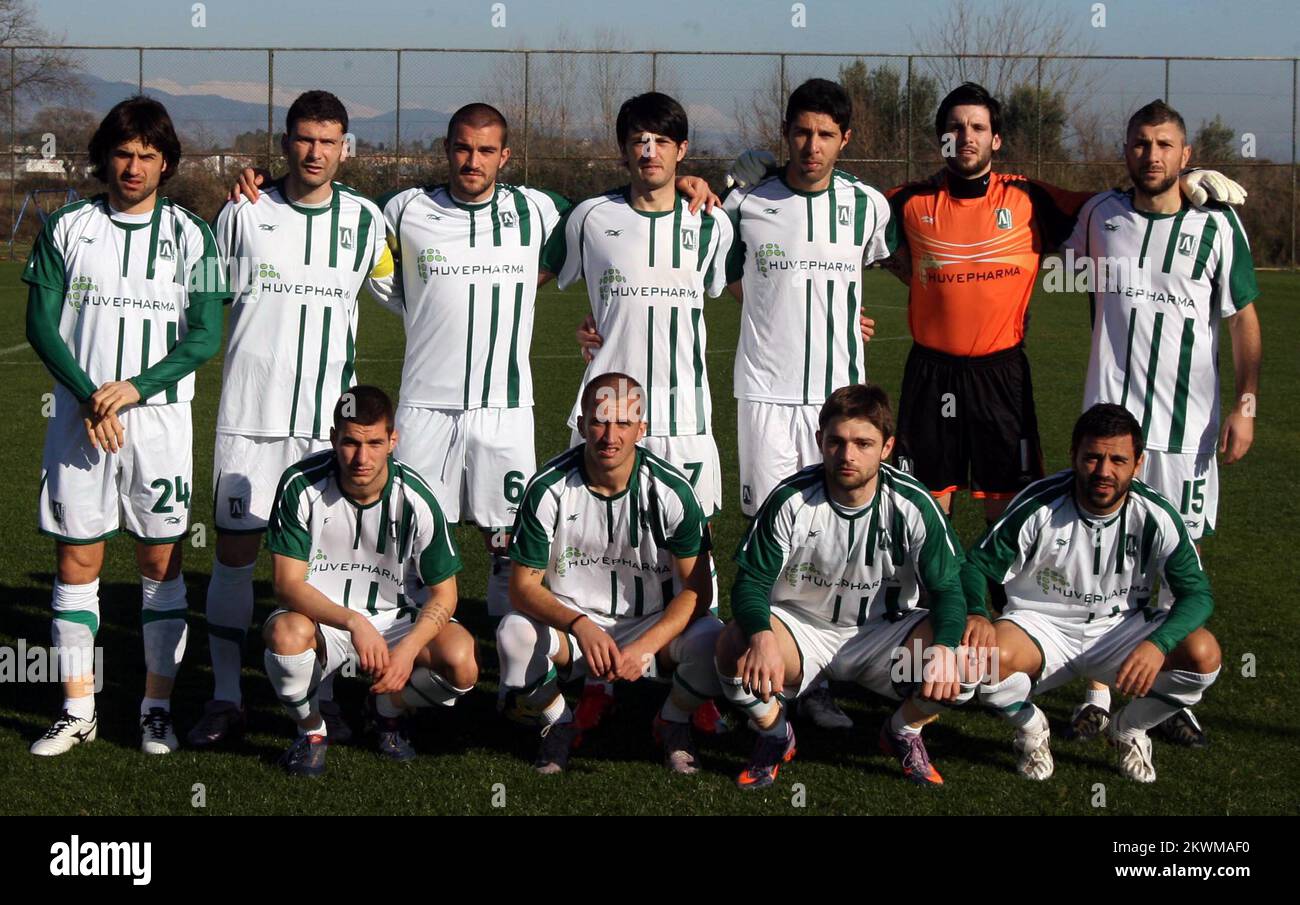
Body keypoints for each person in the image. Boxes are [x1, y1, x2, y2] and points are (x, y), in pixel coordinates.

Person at [25, 96, 227, 756]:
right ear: (104, 157)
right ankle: (77, 709)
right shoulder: (68, 227)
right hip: (82, 424)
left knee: (160, 565)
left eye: (146, 155)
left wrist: (133, 389)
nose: (133, 166)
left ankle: (156, 707)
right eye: (122, 152)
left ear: (166, 162)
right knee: (77, 561)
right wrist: (90, 396)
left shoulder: (193, 235)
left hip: (159, 425)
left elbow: (205, 336)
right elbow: (40, 325)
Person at [189, 90, 391, 748]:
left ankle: (323, 696)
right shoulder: (243, 211)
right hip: (250, 418)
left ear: (345, 146)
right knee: (234, 558)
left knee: (322, 568)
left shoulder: (366, 222)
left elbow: (423, 293)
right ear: (285, 143)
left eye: (328, 140)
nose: (315, 152)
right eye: (304, 139)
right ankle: (225, 695)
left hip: (326, 430)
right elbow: (204, 299)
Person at [1060, 99, 1260, 747]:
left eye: (1165, 144)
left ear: (1187, 154)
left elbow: (1243, 320)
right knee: (1098, 558)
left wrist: (1247, 403)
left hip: (1187, 433)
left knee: (1179, 564)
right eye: (1141, 143)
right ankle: (1093, 695)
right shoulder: (1098, 216)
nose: (1152, 154)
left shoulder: (1220, 229)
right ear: (1126, 151)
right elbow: (1032, 231)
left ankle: (1170, 696)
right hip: (1108, 430)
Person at [540, 92, 734, 734]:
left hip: (684, 417)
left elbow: (757, 290)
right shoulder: (590, 218)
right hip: (608, 413)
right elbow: (523, 278)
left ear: (682, 152)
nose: (648, 151)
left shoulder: (713, 223)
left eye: (662, 140)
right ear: (623, 149)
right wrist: (584, 329)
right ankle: (597, 676)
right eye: (637, 139)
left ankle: (696, 687)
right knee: (601, 548)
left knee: (693, 553)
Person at [716, 384, 981, 789]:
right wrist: (762, 636)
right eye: (837, 442)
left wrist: (944, 648)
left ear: (887, 447)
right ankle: (775, 734)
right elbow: (751, 582)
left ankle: (902, 731)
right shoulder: (790, 499)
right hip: (802, 633)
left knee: (972, 661)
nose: (848, 455)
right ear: (820, 441)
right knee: (733, 646)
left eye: (863, 443)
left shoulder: (913, 504)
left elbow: (947, 590)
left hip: (883, 637)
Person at [966, 404, 1220, 783]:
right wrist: (976, 613)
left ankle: (1130, 729)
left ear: (1138, 463)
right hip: (1041, 627)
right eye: (1093, 457)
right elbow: (975, 565)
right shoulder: (1039, 503)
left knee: (1203, 654)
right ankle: (1033, 729)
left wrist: (1159, 644)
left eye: (1118, 460)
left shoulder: (1156, 514)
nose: (1103, 471)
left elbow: (1197, 594)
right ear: (1073, 456)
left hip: (1119, 629)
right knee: (980, 659)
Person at [496, 372, 720, 774]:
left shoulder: (672, 491)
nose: (610, 435)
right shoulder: (548, 487)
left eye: (623, 422)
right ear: (581, 424)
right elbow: (522, 588)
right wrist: (580, 625)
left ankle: (672, 720)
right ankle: (559, 723)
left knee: (713, 640)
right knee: (514, 633)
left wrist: (646, 645)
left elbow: (697, 591)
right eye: (599, 421)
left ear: (641, 428)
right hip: (577, 624)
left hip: (651, 622)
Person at [261, 386, 477, 777]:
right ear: (332, 438)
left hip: (395, 620)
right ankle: (311, 732)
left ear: (393, 440)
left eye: (375, 443)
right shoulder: (300, 485)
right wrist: (354, 622)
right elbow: (286, 584)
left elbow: (445, 594)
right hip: (324, 620)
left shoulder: (417, 498)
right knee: (284, 636)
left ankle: (388, 712)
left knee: (462, 662)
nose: (362, 457)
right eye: (350, 443)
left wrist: (408, 651)